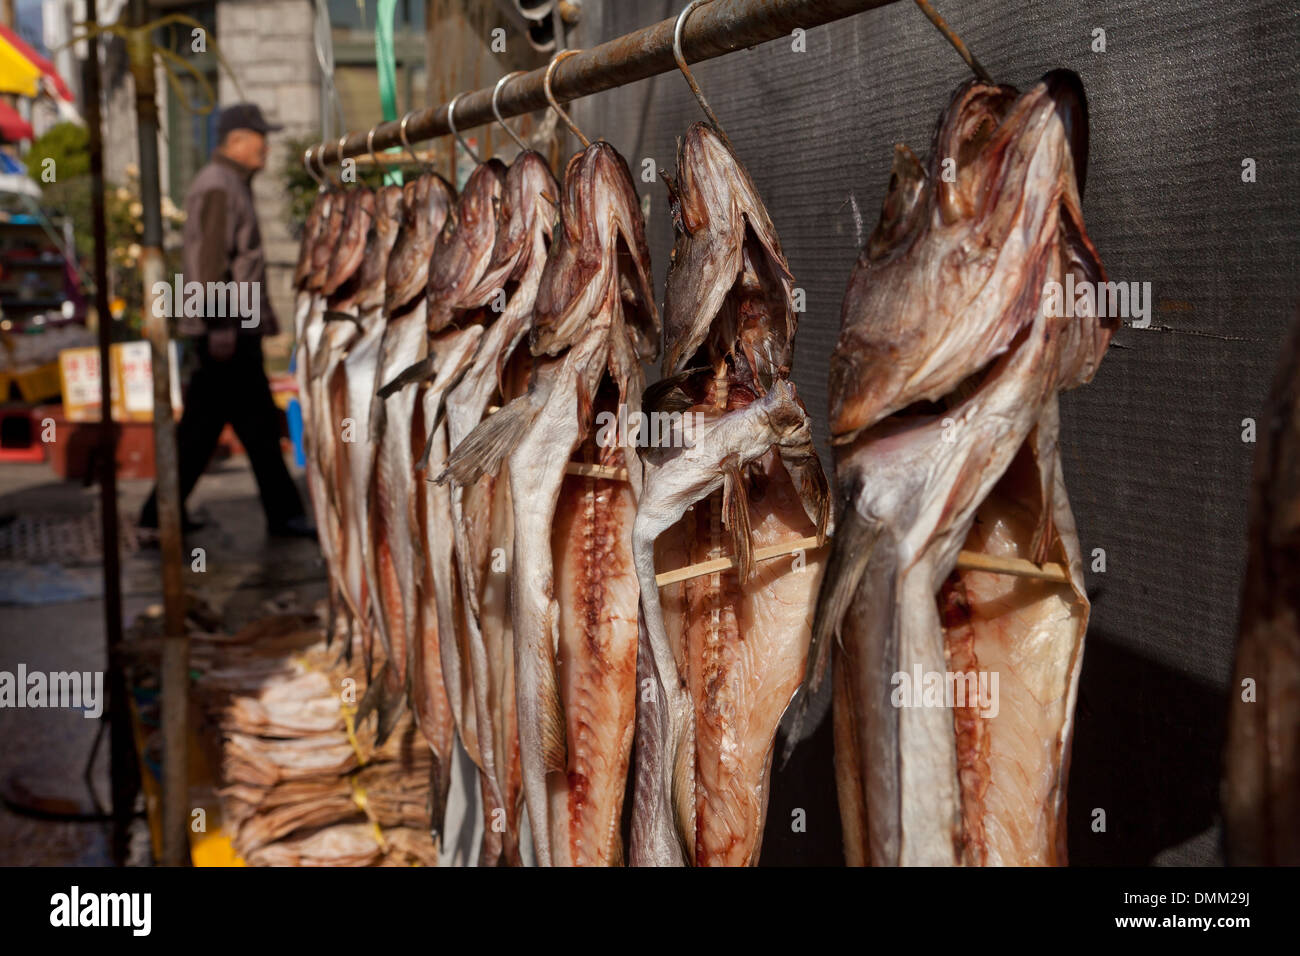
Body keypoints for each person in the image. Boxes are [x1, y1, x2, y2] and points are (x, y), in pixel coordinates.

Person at [139, 103, 314, 538]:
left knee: (238, 427)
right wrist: (219, 326)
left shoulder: (230, 182)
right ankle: (159, 516)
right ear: (236, 139)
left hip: (236, 327)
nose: (267, 148)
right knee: (213, 429)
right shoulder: (218, 186)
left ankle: (163, 515)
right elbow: (209, 262)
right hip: (228, 329)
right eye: (261, 138)